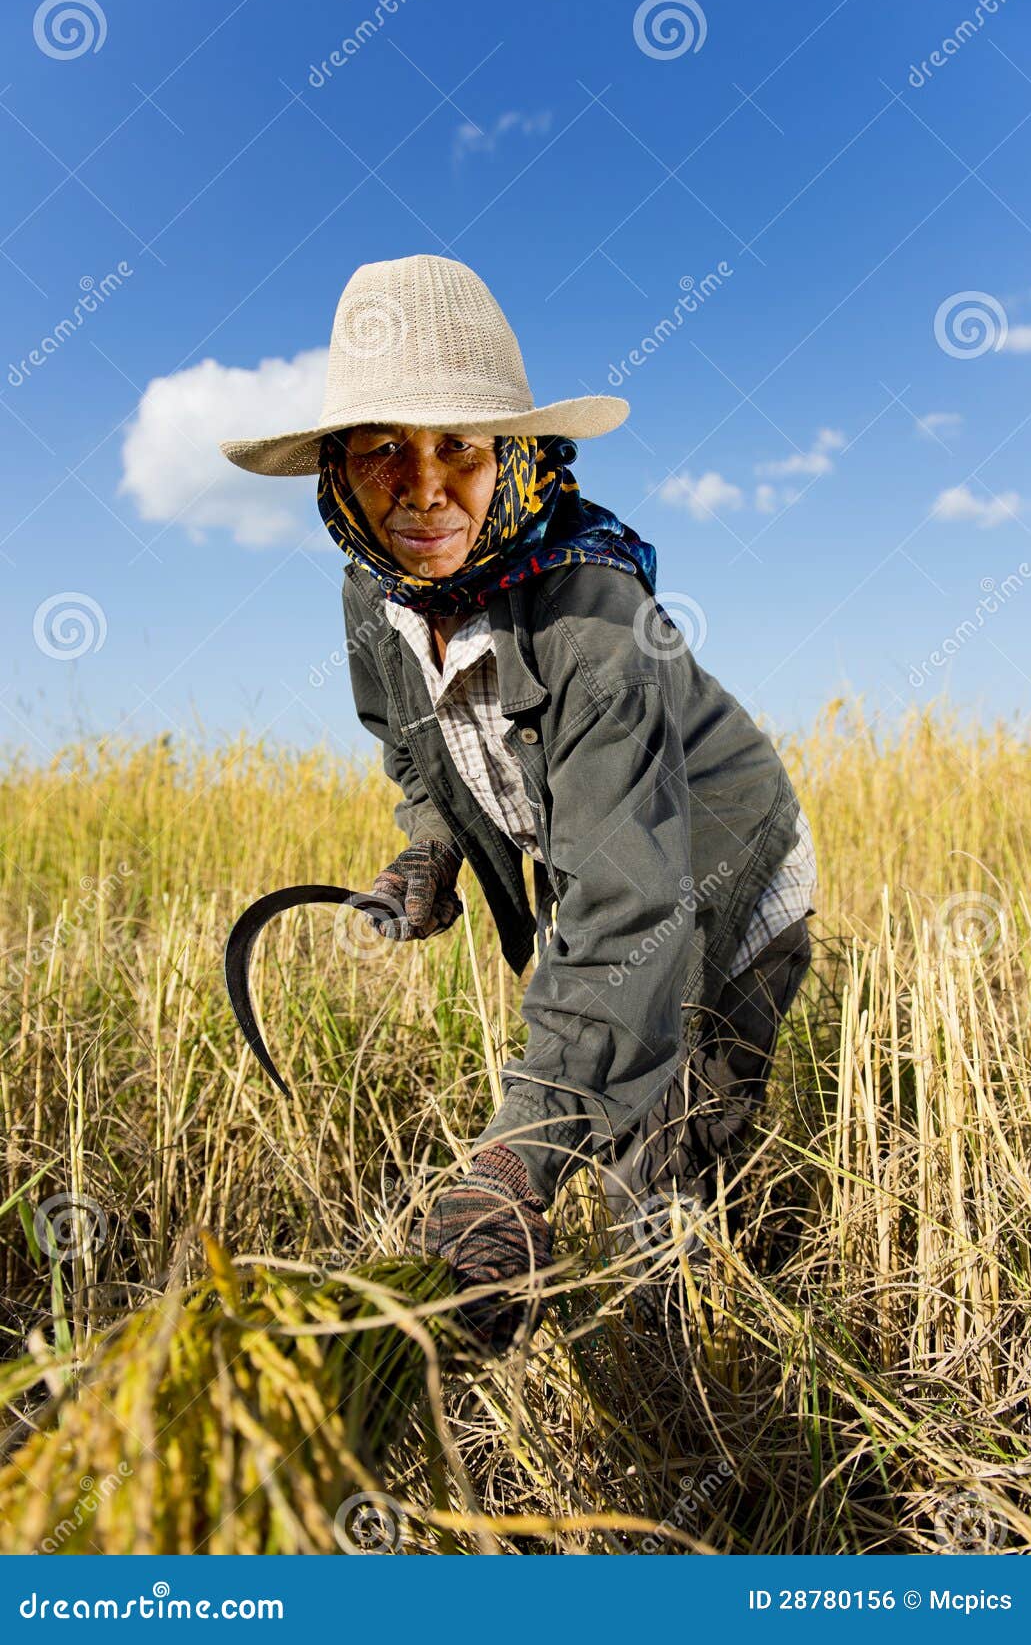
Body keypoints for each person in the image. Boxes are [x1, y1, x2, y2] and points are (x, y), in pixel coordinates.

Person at [219, 253, 815, 1349]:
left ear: (520, 459)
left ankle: (690, 1378)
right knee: (607, 1091)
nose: (423, 488)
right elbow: (412, 747)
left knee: (663, 1142)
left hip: (718, 860)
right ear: (338, 475)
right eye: (383, 448)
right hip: (596, 846)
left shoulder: (597, 625)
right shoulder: (378, 591)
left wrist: (509, 1160)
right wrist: (430, 847)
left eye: (461, 447)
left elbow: (630, 907)